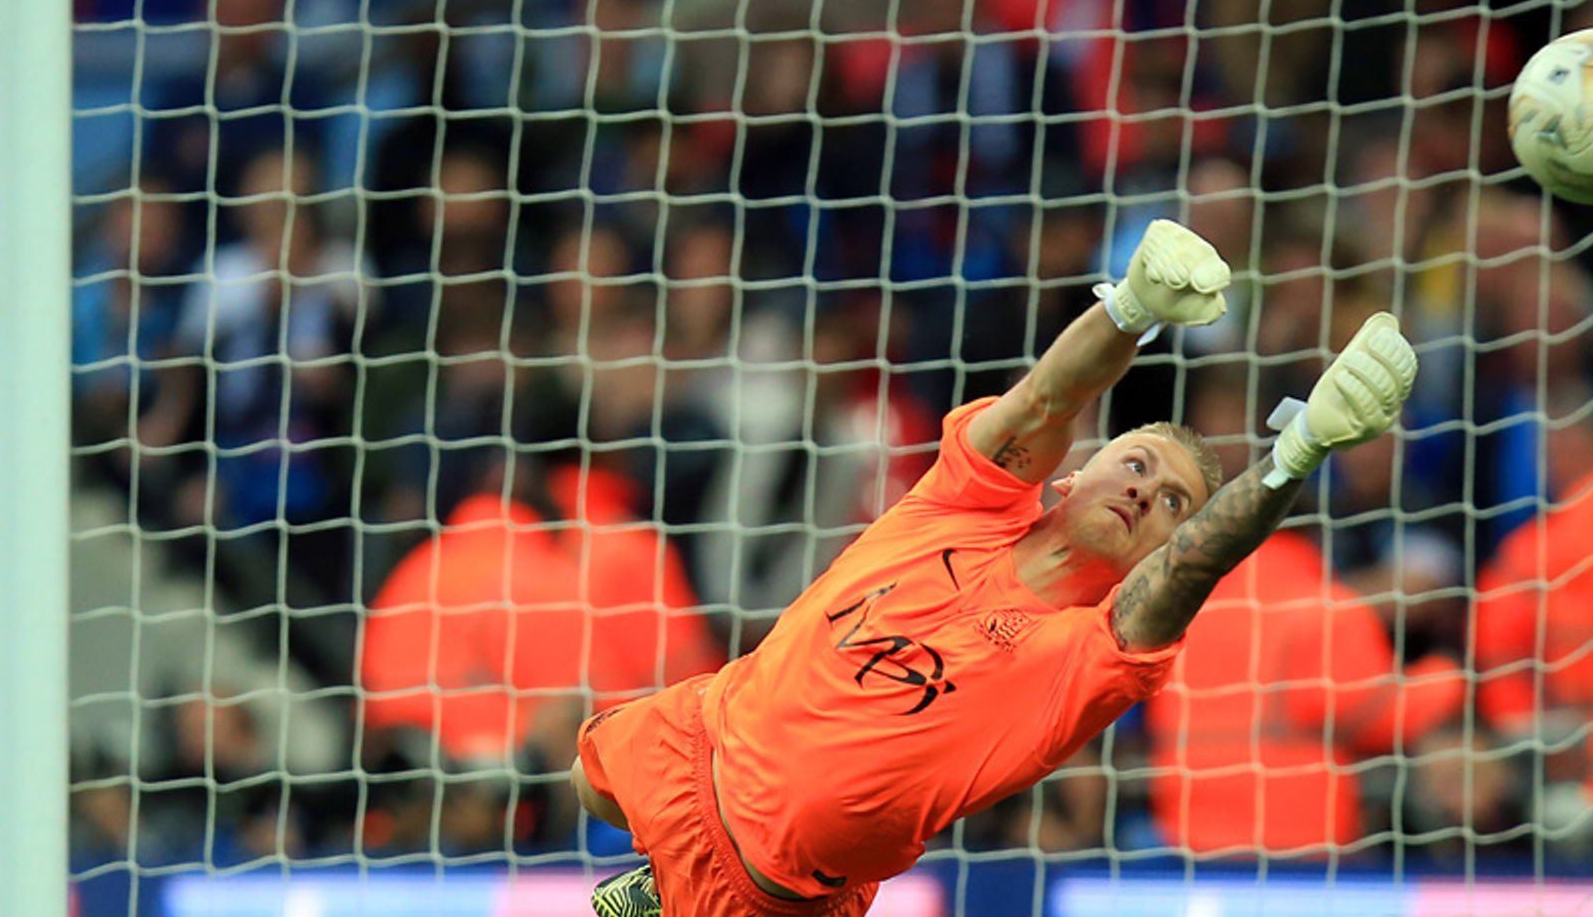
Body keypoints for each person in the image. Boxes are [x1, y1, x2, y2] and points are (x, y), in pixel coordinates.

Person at [569, 218, 1420, 917]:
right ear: (1069, 474)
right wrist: (1128, 308)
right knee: (586, 779)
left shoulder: (1085, 658)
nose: (1143, 491)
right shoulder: (966, 500)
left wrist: (1295, 452)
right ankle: (657, 885)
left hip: (766, 884)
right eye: (1134, 465)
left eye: (1170, 502)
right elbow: (1046, 398)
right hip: (696, 735)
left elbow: (1196, 570)